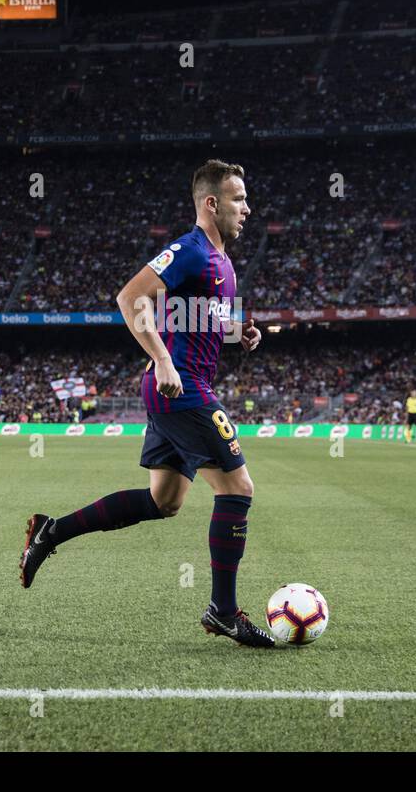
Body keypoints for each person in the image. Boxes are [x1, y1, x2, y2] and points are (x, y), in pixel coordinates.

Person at [18, 159, 272, 647]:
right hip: (181, 387)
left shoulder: (223, 263)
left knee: (165, 501)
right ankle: (222, 612)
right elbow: (130, 296)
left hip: (179, 387)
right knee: (238, 487)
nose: (247, 208)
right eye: (238, 199)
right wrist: (162, 360)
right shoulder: (191, 250)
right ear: (211, 203)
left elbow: (199, 319)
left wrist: (238, 331)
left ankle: (52, 531)